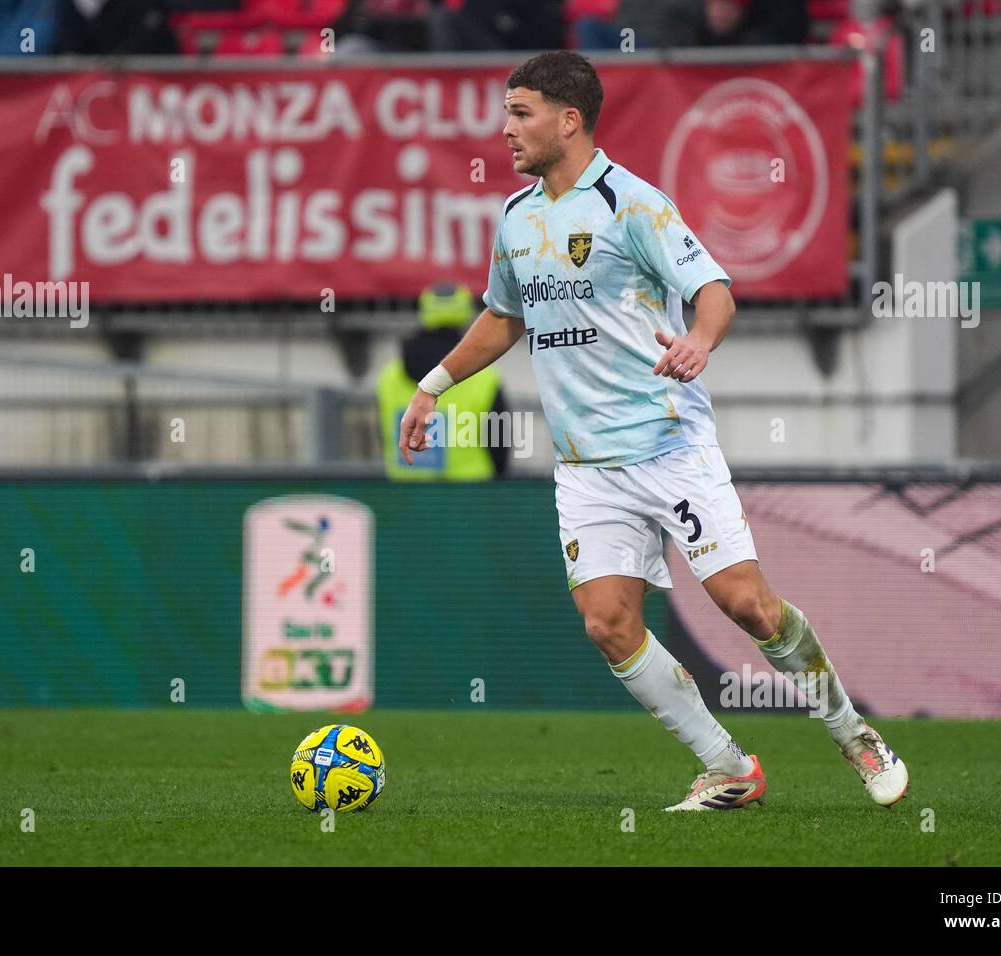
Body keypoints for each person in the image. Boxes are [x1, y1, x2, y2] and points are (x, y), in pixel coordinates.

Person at [397, 50, 910, 811]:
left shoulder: (629, 203)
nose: (505, 130)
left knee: (749, 608)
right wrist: (433, 385)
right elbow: (505, 317)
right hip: (586, 467)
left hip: (668, 444)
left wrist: (699, 340)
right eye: (507, 113)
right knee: (607, 623)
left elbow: (713, 291)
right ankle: (727, 765)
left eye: (520, 113)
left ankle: (851, 731)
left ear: (569, 120)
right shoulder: (515, 216)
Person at [378, 283, 510, 481]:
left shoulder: (389, 376)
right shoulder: (484, 377)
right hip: (469, 495)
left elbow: (384, 435)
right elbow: (500, 442)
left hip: (406, 496)